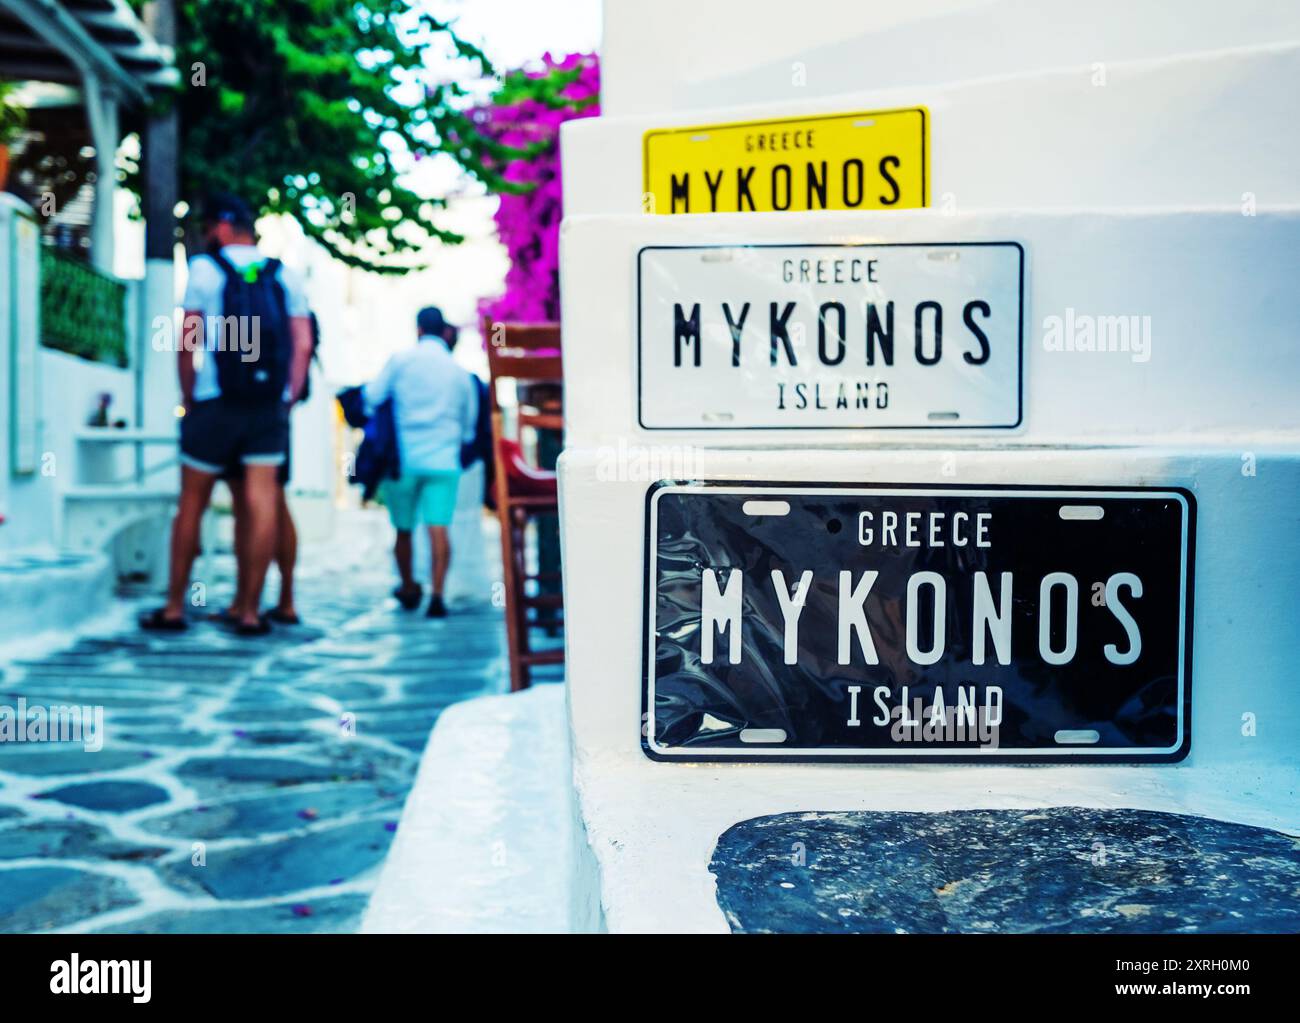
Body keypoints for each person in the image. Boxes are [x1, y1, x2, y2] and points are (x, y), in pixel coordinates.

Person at [140, 193, 313, 636]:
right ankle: (251, 611)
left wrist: (190, 394)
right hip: (266, 405)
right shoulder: (284, 273)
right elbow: (303, 343)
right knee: (262, 502)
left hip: (216, 402)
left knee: (192, 504)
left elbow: (188, 339)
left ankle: (175, 607)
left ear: (221, 225)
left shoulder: (204, 269)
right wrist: (287, 397)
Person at [364, 307, 478, 618]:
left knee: (403, 529)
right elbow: (469, 426)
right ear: (444, 331)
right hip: (444, 461)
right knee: (439, 528)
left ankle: (409, 585)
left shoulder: (400, 361)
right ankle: (438, 594)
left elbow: (372, 397)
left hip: (404, 459)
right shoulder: (459, 373)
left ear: (418, 329)